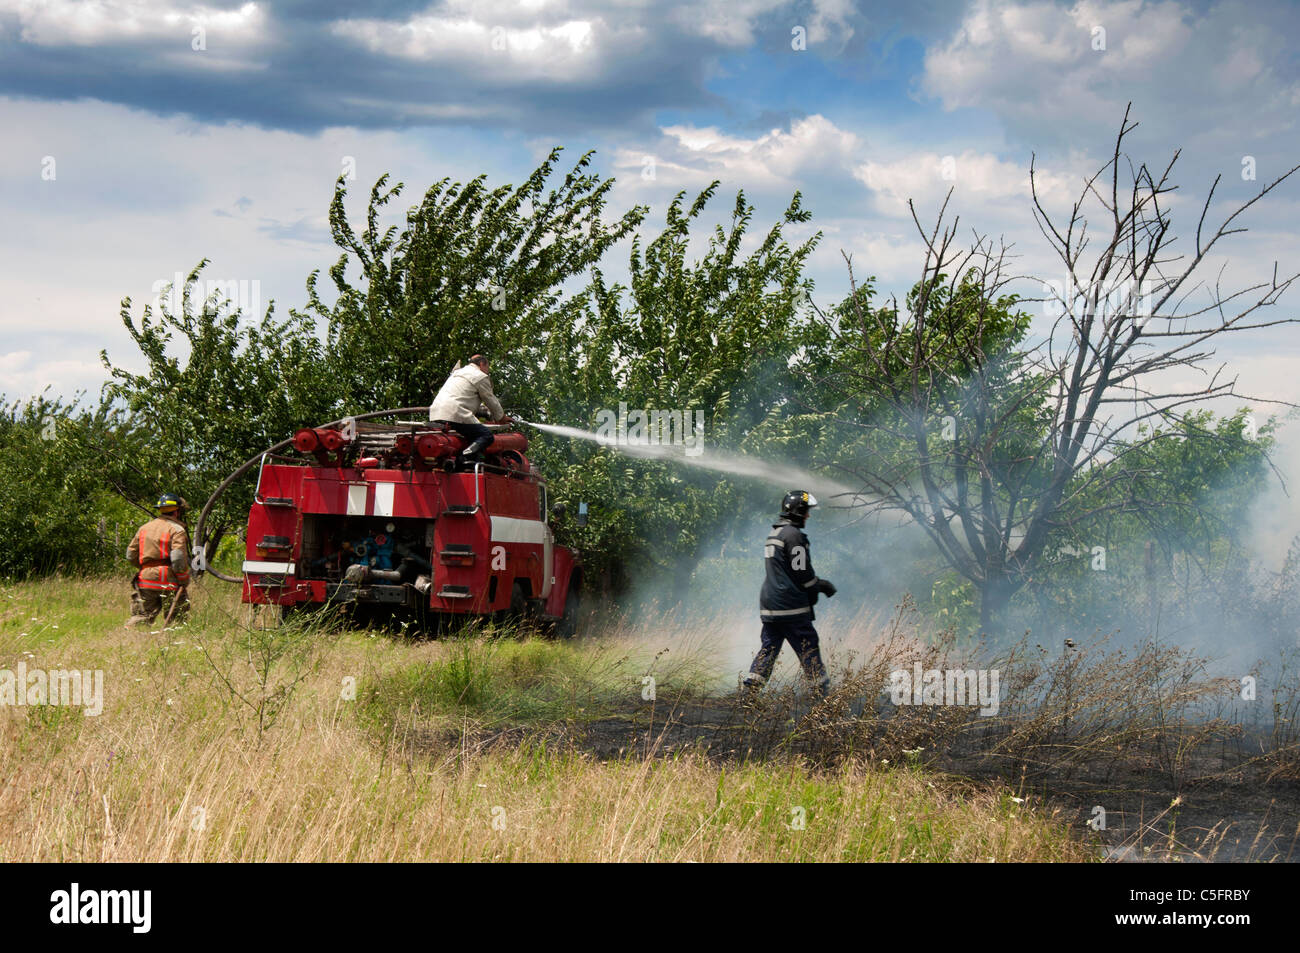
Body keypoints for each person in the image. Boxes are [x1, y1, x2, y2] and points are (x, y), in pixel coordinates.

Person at [743, 490, 837, 698]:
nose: (808, 516)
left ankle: (750, 693)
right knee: (808, 647)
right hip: (790, 607)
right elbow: (801, 571)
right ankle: (821, 697)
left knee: (769, 649)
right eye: (806, 512)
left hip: (771, 606)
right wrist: (821, 586)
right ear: (798, 511)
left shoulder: (775, 533)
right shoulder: (793, 535)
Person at [126, 493, 192, 627]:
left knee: (140, 616)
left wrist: (146, 567)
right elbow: (178, 559)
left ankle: (129, 640)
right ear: (177, 511)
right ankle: (172, 642)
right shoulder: (177, 529)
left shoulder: (144, 528)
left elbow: (130, 555)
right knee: (176, 619)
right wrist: (183, 579)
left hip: (145, 578)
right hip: (168, 579)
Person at [428, 354, 508, 458]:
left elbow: (462, 398)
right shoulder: (480, 376)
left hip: (436, 413)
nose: (487, 371)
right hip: (455, 414)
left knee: (470, 435)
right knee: (486, 436)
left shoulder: (457, 373)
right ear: (482, 364)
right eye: (487, 367)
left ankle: (464, 459)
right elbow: (490, 399)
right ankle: (463, 459)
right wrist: (501, 417)